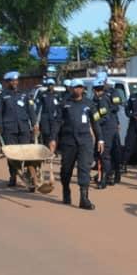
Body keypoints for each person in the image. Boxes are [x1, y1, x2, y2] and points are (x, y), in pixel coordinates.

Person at [49, 79, 100, 210]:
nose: (78, 89)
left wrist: (100, 139)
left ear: (83, 89)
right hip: (68, 141)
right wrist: (53, 139)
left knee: (84, 168)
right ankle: (66, 190)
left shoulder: (90, 104)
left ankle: (84, 198)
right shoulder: (64, 104)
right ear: (71, 89)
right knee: (66, 169)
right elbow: (57, 122)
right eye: (75, 87)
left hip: (85, 141)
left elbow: (96, 123)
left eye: (80, 87)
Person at [0, 71, 38, 188]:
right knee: (12, 154)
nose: (15, 83)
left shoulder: (24, 94)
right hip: (9, 129)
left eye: (16, 80)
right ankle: (13, 176)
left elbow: (31, 111)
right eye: (12, 81)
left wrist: (35, 124)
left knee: (27, 153)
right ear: (8, 82)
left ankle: (29, 175)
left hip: (23, 129)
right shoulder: (2, 96)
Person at [90, 77, 117, 189]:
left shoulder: (102, 100)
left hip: (106, 130)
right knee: (100, 155)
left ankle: (105, 180)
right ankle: (105, 175)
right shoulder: (97, 99)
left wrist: (94, 124)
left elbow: (104, 117)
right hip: (101, 129)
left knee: (104, 155)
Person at [106, 78, 125, 184]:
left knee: (114, 151)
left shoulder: (115, 93)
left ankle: (115, 174)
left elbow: (116, 107)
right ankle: (107, 173)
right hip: (106, 124)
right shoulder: (101, 94)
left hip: (111, 124)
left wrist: (106, 109)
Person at [36, 78, 61, 146]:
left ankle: (54, 151)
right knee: (46, 132)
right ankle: (46, 147)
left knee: (54, 133)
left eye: (52, 85)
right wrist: (37, 120)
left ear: (54, 85)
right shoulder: (43, 94)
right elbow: (38, 107)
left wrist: (59, 117)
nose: (50, 86)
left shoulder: (57, 95)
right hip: (45, 117)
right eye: (49, 85)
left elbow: (59, 107)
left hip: (54, 117)